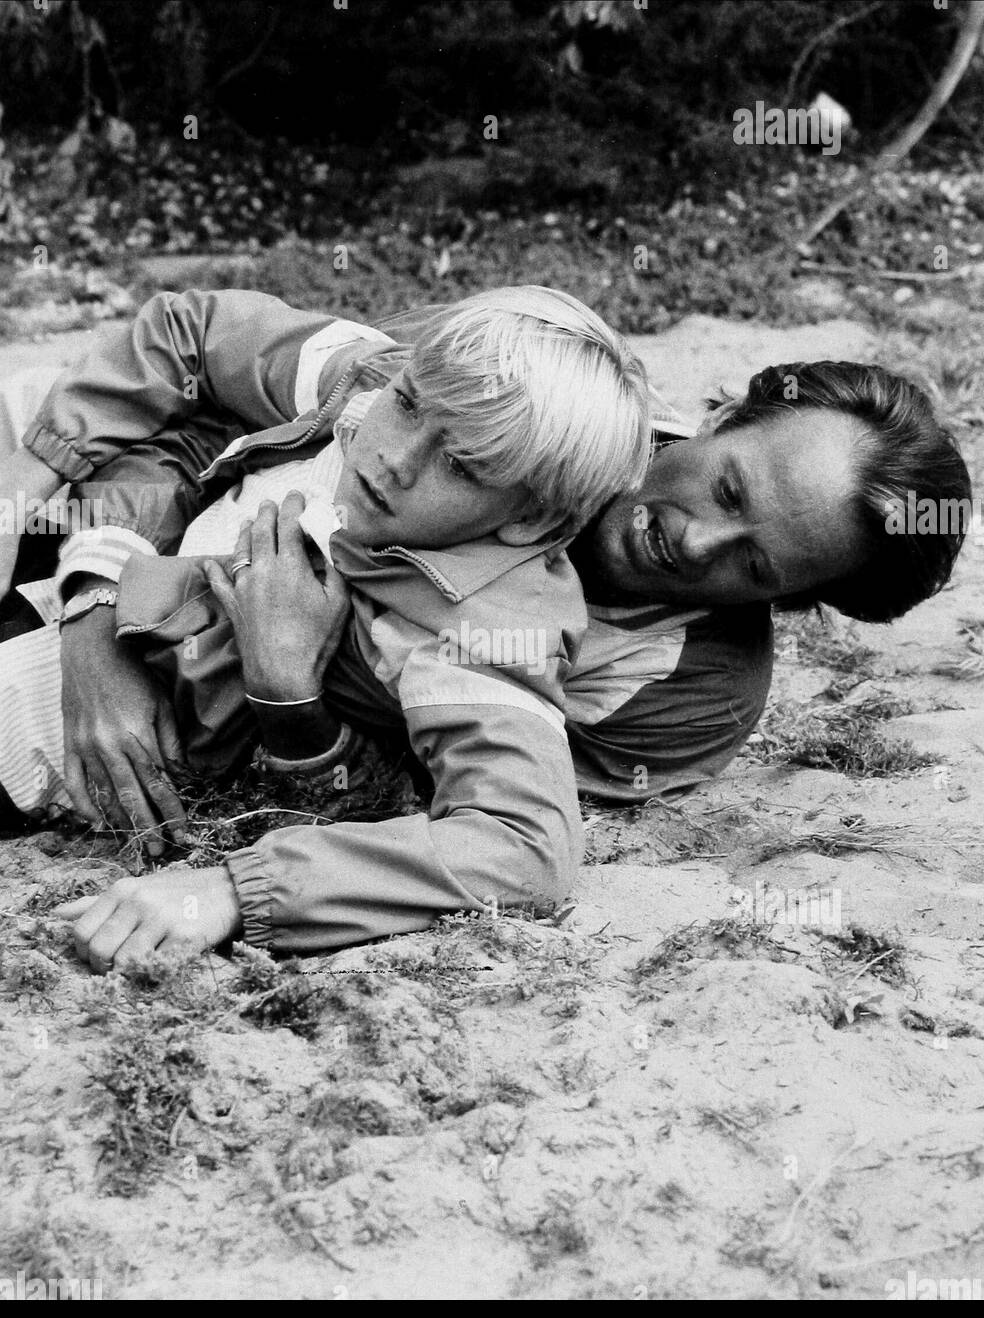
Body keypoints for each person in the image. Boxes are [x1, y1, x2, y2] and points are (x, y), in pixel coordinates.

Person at [0, 292, 969, 971]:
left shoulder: (665, 687)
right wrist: (95, 590)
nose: (694, 538)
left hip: (145, 665)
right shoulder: (504, 399)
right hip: (113, 542)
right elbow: (204, 386)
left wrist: (287, 701)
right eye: (725, 487)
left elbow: (459, 812)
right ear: (718, 415)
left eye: (754, 565)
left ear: (789, 603)